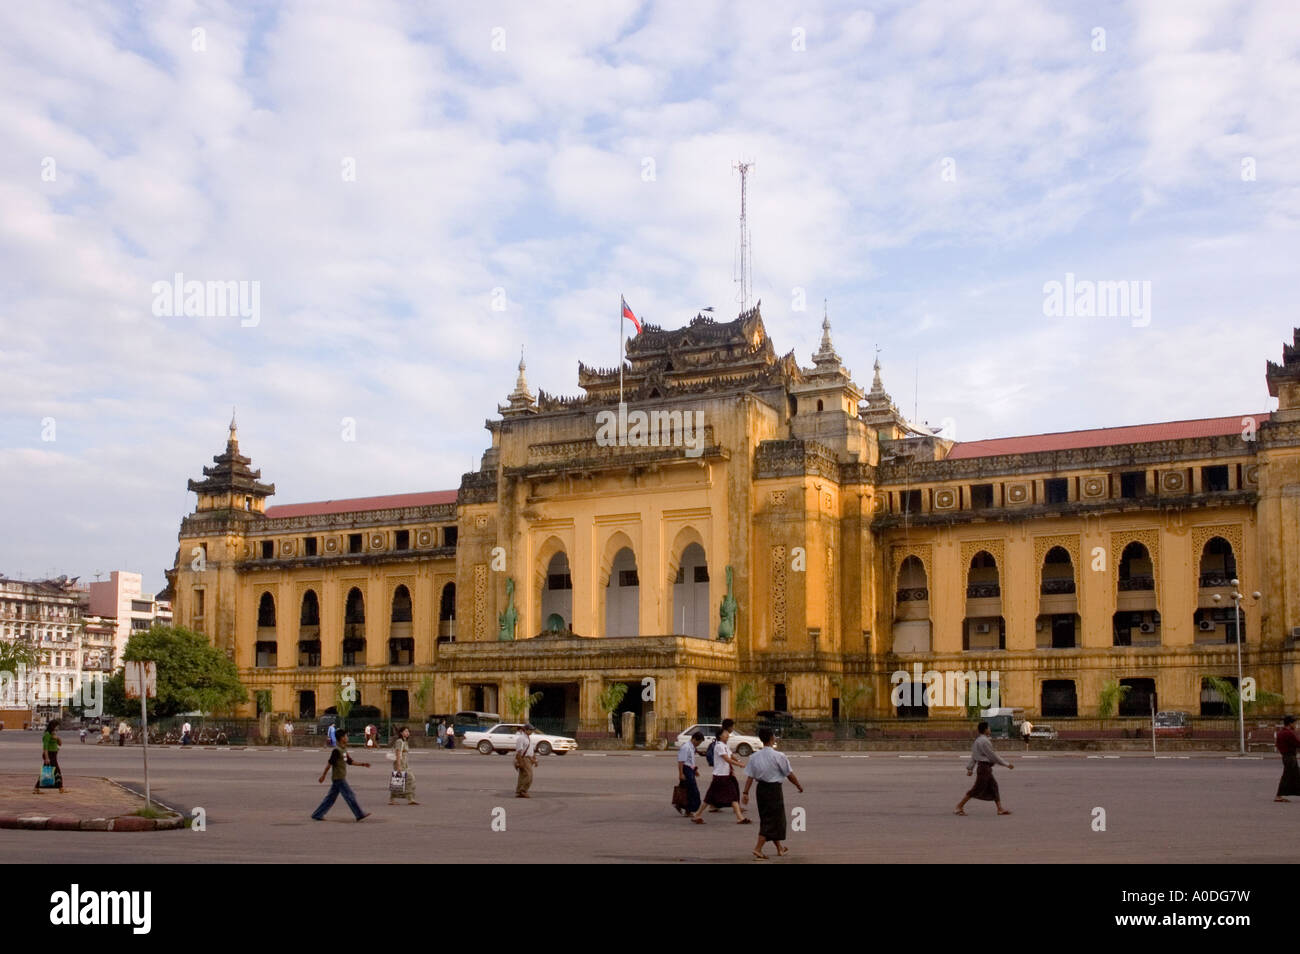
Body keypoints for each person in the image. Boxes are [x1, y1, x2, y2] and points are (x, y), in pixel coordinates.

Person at [742, 727, 803, 859]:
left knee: (769, 818)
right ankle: (758, 848)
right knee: (773, 820)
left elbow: (750, 777)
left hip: (761, 790)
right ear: (771, 738)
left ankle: (779, 848)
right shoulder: (778, 756)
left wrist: (745, 793)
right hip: (773, 790)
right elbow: (789, 774)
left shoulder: (754, 757)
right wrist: (798, 785)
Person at [692, 725, 749, 824]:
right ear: (720, 736)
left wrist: (739, 760)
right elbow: (726, 758)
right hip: (720, 776)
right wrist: (739, 764)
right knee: (713, 797)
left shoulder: (724, 745)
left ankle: (740, 817)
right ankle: (697, 814)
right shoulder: (718, 746)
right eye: (725, 733)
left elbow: (731, 755)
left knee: (731, 795)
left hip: (725, 775)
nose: (727, 735)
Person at [956, 721, 1014, 816]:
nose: (990, 730)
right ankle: (959, 806)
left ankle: (1000, 809)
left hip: (984, 768)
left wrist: (970, 768)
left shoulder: (978, 741)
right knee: (976, 789)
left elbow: (974, 756)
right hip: (984, 768)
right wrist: (1006, 764)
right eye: (989, 728)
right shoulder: (984, 741)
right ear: (986, 729)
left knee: (994, 786)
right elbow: (992, 756)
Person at [312, 729, 371, 821]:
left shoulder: (343, 750)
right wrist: (323, 775)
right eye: (346, 736)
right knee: (350, 795)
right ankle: (359, 814)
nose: (347, 738)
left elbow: (349, 762)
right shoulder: (336, 751)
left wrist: (362, 764)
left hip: (339, 777)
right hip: (338, 778)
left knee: (330, 798)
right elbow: (329, 763)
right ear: (341, 738)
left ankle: (317, 814)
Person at [389, 726, 419, 806]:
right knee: (410, 779)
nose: (407, 733)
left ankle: (393, 799)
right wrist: (398, 766)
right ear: (401, 733)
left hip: (405, 764)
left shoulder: (405, 741)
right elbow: (398, 753)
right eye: (406, 731)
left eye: (408, 731)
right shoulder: (399, 741)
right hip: (400, 763)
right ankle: (410, 798)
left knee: (397, 781)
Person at [677, 730, 705, 816]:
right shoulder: (686, 747)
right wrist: (681, 774)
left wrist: (695, 770)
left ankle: (683, 806)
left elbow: (691, 760)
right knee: (692, 791)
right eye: (698, 742)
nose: (698, 744)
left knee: (686, 789)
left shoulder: (692, 747)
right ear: (694, 739)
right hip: (686, 769)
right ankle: (688, 809)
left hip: (690, 769)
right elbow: (681, 761)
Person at [35, 719, 64, 794]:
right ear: (53, 726)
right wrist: (47, 758)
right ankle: (61, 788)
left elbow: (60, 744)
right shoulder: (47, 734)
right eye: (57, 726)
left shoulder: (53, 734)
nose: (58, 728)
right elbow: (45, 748)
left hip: (54, 755)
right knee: (56, 770)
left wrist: (57, 738)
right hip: (49, 755)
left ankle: (36, 788)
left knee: (48, 771)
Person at [1275, 715, 1300, 802]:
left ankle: (1279, 795)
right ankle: (1278, 796)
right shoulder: (1288, 733)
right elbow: (1297, 743)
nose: (1296, 725)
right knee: (1287, 776)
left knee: (1296, 776)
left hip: (1285, 756)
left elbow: (1278, 745)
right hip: (1290, 757)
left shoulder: (1281, 733)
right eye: (1295, 723)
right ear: (1290, 723)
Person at [515, 724, 538, 798]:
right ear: (525, 730)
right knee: (529, 776)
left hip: (529, 759)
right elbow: (519, 751)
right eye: (530, 730)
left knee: (523, 776)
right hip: (524, 759)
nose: (531, 731)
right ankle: (523, 791)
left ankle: (519, 791)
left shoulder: (528, 738)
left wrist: (534, 759)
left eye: (532, 730)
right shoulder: (521, 738)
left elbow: (530, 750)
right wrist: (520, 761)